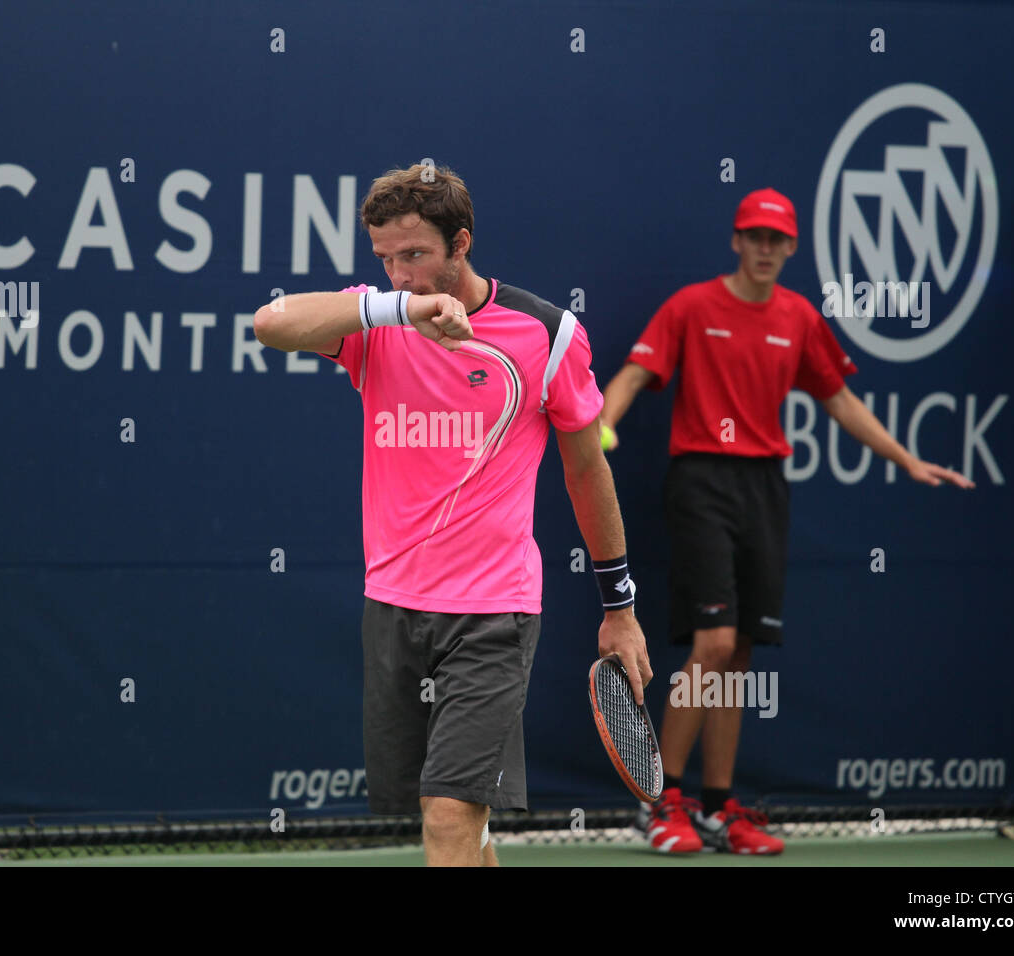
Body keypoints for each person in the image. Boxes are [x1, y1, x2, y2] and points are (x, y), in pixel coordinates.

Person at [255, 164, 651, 866]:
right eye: (384, 258)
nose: (399, 273)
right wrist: (393, 308)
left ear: (460, 242)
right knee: (458, 823)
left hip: (494, 615)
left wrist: (619, 607)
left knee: (446, 818)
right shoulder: (379, 322)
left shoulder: (548, 335)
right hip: (393, 607)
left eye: (415, 256)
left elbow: (587, 468)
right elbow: (270, 324)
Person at [600, 188, 974, 855]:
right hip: (701, 480)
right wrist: (600, 425)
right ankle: (661, 803)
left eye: (778, 240)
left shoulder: (798, 317)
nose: (766, 249)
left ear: (792, 248)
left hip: (764, 487)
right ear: (736, 241)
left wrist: (907, 459)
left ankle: (717, 807)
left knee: (739, 653)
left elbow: (840, 400)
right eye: (756, 237)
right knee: (711, 644)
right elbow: (633, 374)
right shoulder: (691, 306)